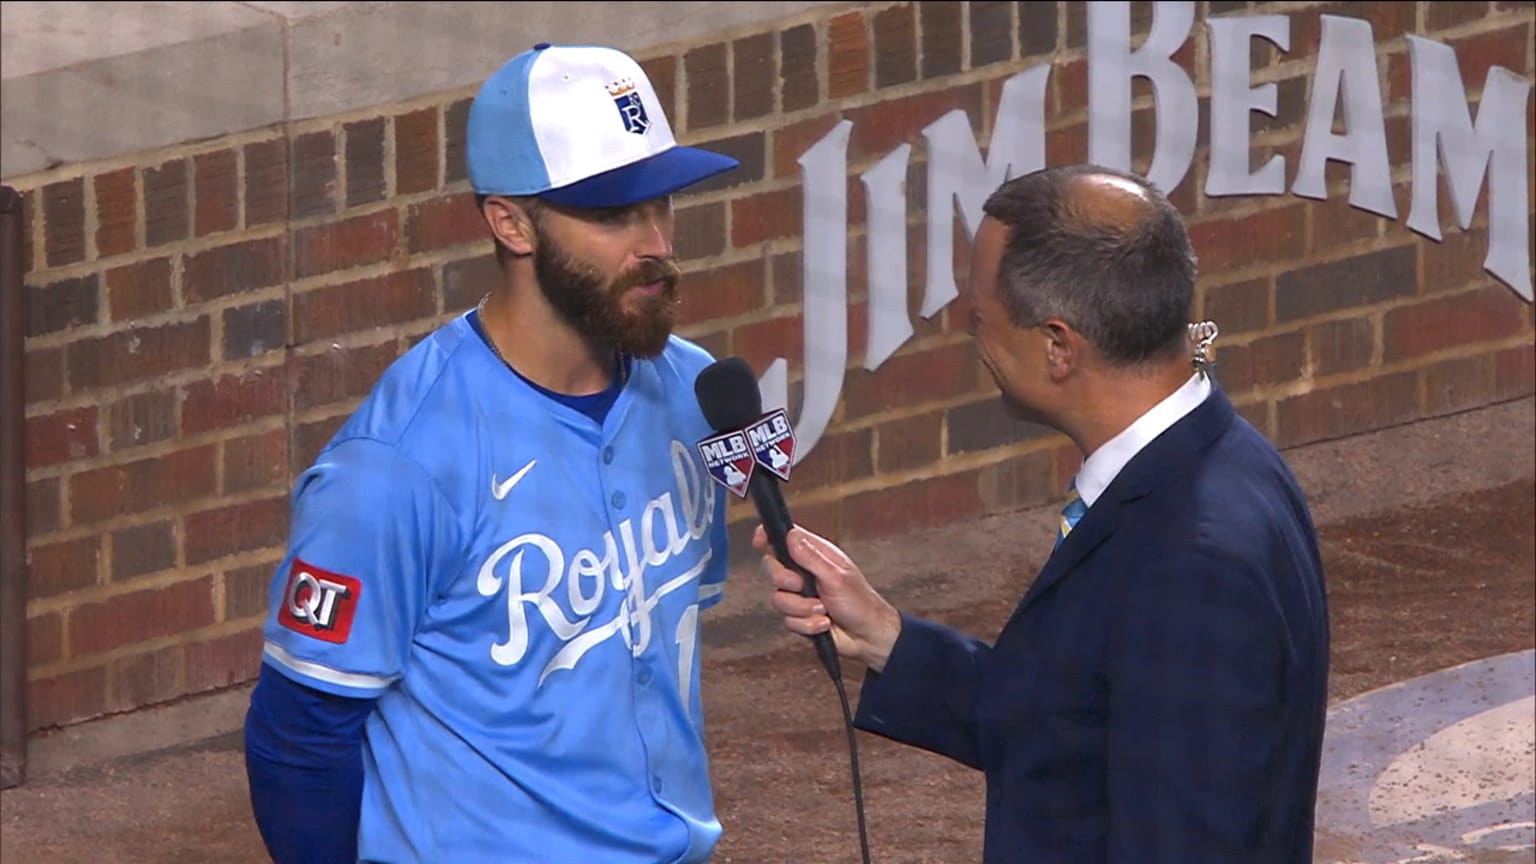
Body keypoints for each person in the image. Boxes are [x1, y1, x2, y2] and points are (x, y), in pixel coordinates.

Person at [243, 42, 740, 864]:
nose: (655, 243)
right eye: (613, 214)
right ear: (511, 223)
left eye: (661, 204)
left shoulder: (691, 394)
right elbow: (298, 737)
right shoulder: (399, 465)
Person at [759, 165, 1331, 863]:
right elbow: (1075, 724)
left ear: (1058, 346)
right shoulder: (1223, 459)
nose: (971, 334)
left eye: (982, 318)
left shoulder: (1191, 562)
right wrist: (889, 637)